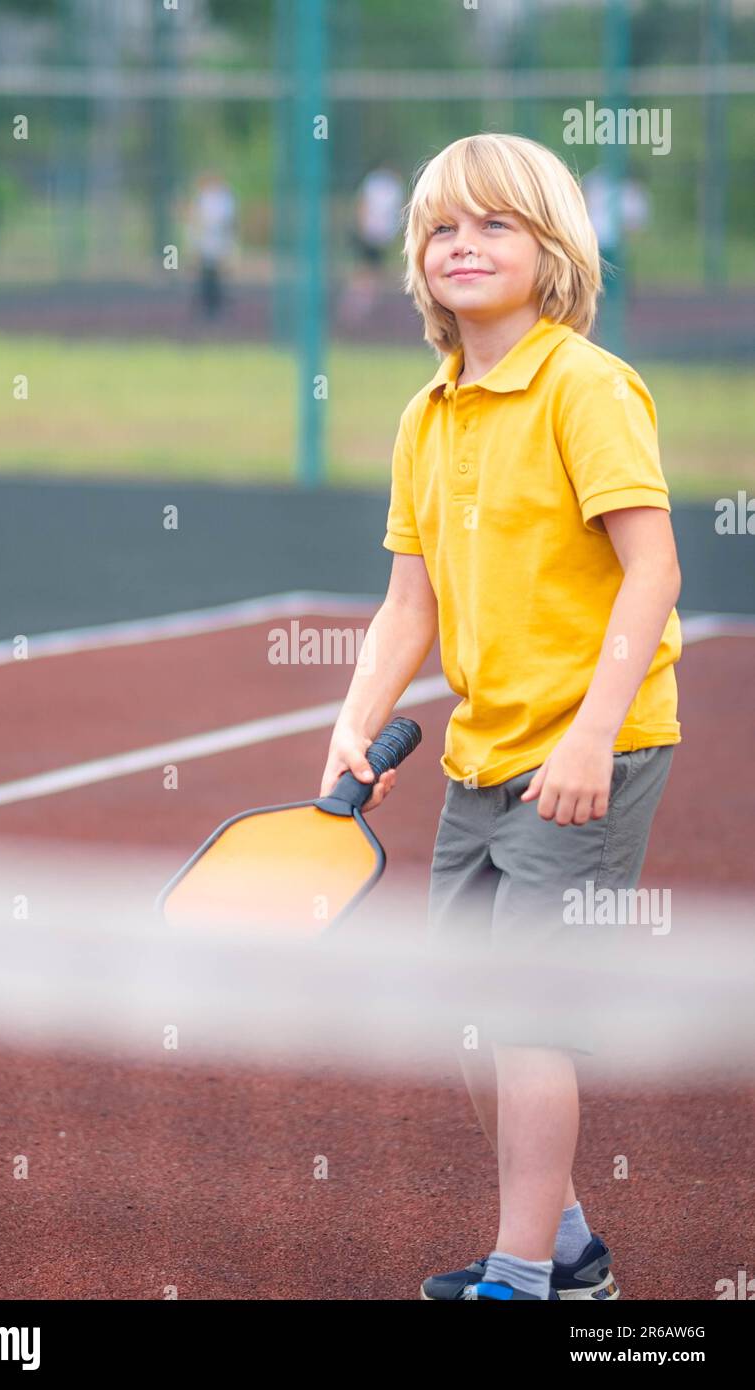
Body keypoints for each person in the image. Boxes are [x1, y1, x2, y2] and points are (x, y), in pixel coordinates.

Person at [319, 133, 682, 1302]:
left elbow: (654, 572)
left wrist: (587, 733)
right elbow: (403, 603)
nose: (461, 245)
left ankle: (522, 1277)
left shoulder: (585, 386)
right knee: (465, 1010)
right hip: (481, 760)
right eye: (440, 228)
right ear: (415, 261)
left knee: (528, 1015)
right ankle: (565, 1242)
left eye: (494, 226)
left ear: (554, 250)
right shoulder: (428, 415)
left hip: (591, 754)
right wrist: (352, 718)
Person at [338, 164, 405, 326]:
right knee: (366, 272)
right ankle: (356, 307)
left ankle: (360, 306)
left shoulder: (391, 186)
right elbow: (363, 205)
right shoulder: (376, 182)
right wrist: (363, 227)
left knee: (372, 272)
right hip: (370, 234)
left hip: (380, 236)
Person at [185, 172, 236, 319]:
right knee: (205, 276)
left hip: (218, 242)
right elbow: (195, 220)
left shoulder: (225, 199)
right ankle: (206, 306)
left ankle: (215, 306)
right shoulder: (203, 198)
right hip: (204, 243)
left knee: (215, 276)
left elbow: (224, 221)